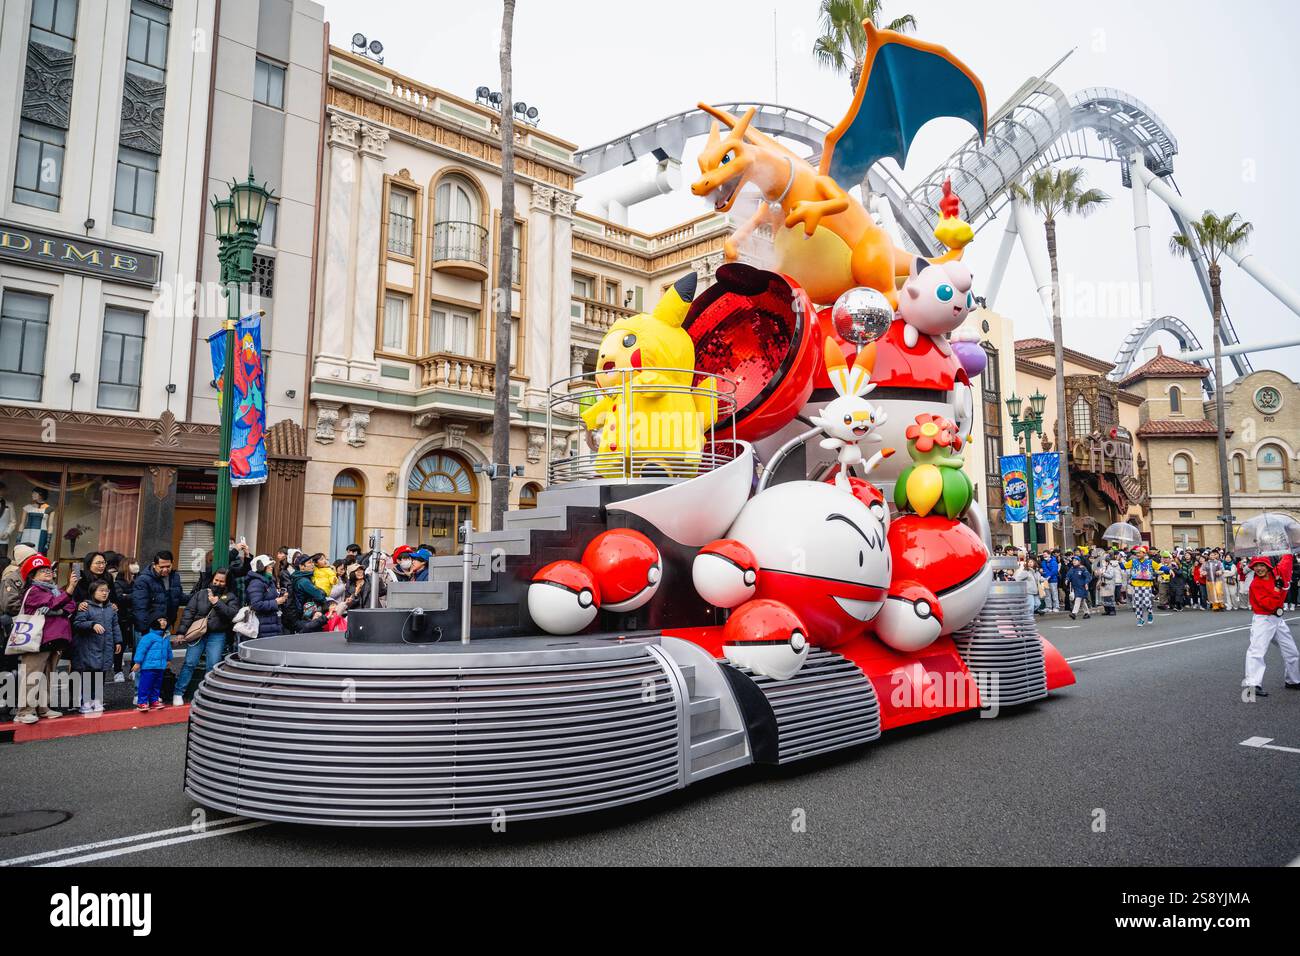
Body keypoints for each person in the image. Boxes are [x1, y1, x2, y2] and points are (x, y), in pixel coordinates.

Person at [14, 553, 75, 723]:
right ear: (32, 576)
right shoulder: (34, 590)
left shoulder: (54, 589)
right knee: (32, 674)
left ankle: (43, 707)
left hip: (54, 638)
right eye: (42, 571)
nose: (48, 572)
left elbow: (70, 605)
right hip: (37, 638)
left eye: (49, 569)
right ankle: (25, 710)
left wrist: (60, 606)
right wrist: (68, 591)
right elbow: (55, 603)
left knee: (49, 674)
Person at [172, 567, 239, 706]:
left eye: (222, 581)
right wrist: (180, 632)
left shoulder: (231, 597)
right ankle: (178, 692)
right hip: (198, 633)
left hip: (217, 634)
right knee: (190, 662)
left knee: (212, 665)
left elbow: (232, 614)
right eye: (216, 580)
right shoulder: (201, 594)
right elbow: (189, 613)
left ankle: (208, 694)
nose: (218, 583)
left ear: (227, 583)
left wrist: (217, 603)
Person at [1242, 554, 1300, 697]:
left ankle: (1293, 680)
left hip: (1277, 620)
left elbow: (1286, 561)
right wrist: (1276, 590)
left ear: (1268, 566)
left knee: (1291, 651)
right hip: (1263, 619)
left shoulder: (1277, 573)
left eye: (1262, 565)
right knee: (1257, 651)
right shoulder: (1255, 584)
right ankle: (1252, 685)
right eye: (1256, 566)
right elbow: (1270, 605)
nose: (1259, 568)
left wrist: (1288, 549)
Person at [71, 579, 120, 715]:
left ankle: (97, 700)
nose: (105, 593)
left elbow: (115, 625)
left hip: (106, 646)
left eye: (107, 591)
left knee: (101, 673)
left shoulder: (111, 608)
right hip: (89, 646)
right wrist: (92, 624)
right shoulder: (86, 606)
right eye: (101, 591)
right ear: (93, 592)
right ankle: (86, 702)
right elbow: (78, 623)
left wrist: (118, 641)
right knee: (88, 673)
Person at [132, 550, 184, 637]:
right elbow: (140, 608)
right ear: (154, 565)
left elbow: (178, 597)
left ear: (172, 563)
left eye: (168, 566)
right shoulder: (143, 580)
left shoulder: (175, 577)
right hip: (148, 627)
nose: (165, 569)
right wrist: (144, 630)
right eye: (161, 567)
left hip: (165, 625)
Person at [245, 554, 288, 637]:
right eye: (269, 565)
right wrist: (276, 602)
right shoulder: (256, 583)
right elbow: (256, 604)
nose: (271, 567)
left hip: (270, 624)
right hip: (262, 626)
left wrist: (281, 598)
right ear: (261, 568)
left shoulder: (268, 581)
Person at [131, 624, 172, 712]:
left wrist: (169, 659)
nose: (163, 622)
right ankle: (142, 702)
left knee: (157, 684)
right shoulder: (148, 637)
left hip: (160, 666)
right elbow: (141, 649)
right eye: (160, 620)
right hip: (148, 666)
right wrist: (138, 662)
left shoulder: (166, 636)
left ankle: (154, 701)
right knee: (145, 685)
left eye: (164, 620)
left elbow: (168, 648)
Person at [1128, 546, 1157, 626]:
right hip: (1136, 585)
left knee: (1147, 602)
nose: (1138, 554)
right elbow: (1124, 566)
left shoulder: (1150, 562)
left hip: (1147, 585)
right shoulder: (1133, 562)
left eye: (1139, 552)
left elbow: (1159, 567)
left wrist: (1169, 569)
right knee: (1138, 603)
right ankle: (1140, 619)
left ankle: (1150, 613)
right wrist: (1118, 561)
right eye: (1137, 553)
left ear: (1144, 553)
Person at [1065, 556, 1092, 620]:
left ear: (1079, 562)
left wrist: (1086, 583)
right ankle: (1087, 613)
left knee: (1078, 599)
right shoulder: (1072, 569)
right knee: (1082, 601)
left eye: (1075, 560)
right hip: (1075, 587)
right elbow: (1068, 575)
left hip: (1082, 587)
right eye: (1073, 560)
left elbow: (1088, 576)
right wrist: (1067, 579)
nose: (1074, 562)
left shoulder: (1082, 568)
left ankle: (1074, 613)